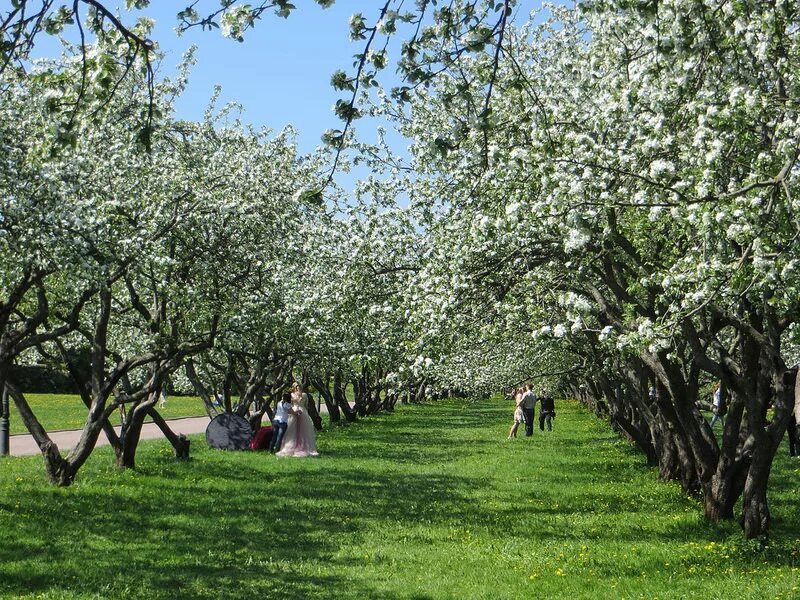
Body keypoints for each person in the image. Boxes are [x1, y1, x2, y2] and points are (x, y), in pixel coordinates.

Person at [276, 382, 319, 457]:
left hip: (303, 412)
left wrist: (305, 412)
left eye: (299, 386)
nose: (298, 388)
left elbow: (306, 405)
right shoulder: (292, 395)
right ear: (294, 387)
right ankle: (291, 446)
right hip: (294, 411)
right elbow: (290, 404)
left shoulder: (304, 395)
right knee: (292, 430)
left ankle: (303, 446)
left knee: (303, 430)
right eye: (296, 386)